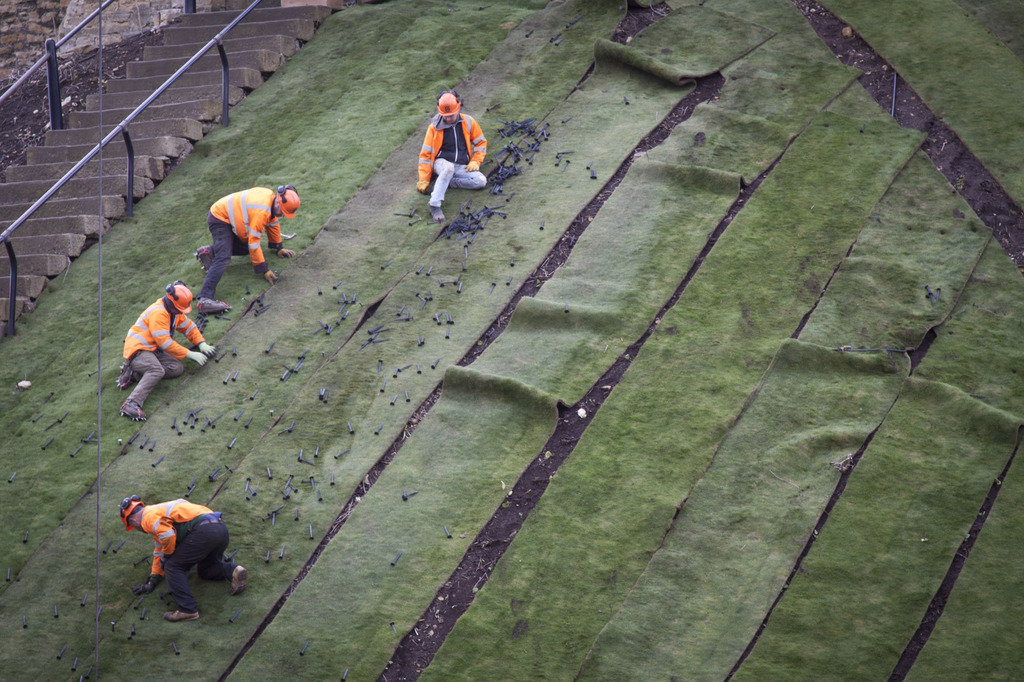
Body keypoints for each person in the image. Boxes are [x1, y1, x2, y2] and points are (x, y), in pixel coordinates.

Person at [120, 495, 247, 622]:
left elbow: (167, 535)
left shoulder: (147, 518)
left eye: (133, 527)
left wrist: (168, 556)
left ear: (133, 521)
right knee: (206, 570)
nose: (138, 529)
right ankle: (234, 571)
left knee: (172, 566)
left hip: (203, 532)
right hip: (220, 529)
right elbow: (159, 552)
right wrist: (153, 580)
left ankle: (188, 610)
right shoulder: (159, 512)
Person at [193, 185, 300, 314]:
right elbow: (253, 243)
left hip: (228, 214)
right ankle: (204, 299)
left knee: (245, 248)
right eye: (283, 211)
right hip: (219, 217)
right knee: (223, 258)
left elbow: (273, 223)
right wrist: (264, 269)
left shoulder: (271, 200)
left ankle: (208, 252)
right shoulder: (261, 212)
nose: (283, 215)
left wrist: (279, 247)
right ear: (278, 202)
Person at [117, 282, 215, 421]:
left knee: (176, 368)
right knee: (156, 370)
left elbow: (189, 327)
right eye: (180, 309)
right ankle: (131, 403)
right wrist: (190, 354)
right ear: (172, 304)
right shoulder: (159, 313)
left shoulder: (174, 312)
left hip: (153, 349)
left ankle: (135, 373)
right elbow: (165, 343)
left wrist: (201, 343)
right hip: (138, 350)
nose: (181, 312)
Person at [417, 90, 487, 223]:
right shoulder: (433, 128)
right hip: (440, 163)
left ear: (458, 108)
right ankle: (434, 205)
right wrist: (424, 179)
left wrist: (476, 161)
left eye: (451, 115)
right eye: (445, 116)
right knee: (448, 168)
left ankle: (441, 182)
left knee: (481, 181)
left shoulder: (469, 121)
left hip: (461, 166)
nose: (448, 119)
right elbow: (425, 155)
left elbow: (481, 143)